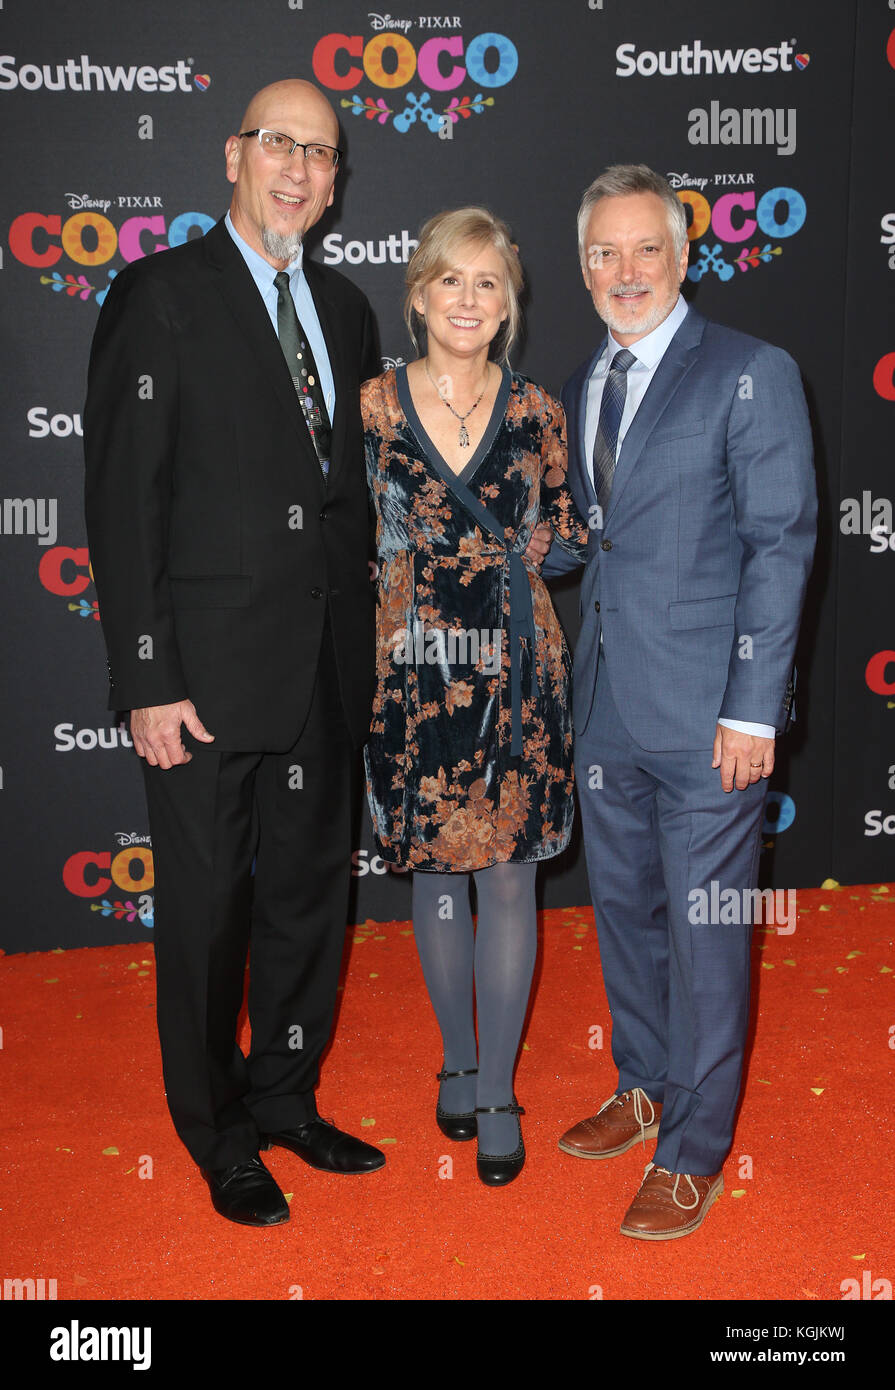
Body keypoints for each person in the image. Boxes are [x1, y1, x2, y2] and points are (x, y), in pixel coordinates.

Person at [83, 80, 386, 1227]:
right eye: (279, 145)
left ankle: (286, 1097)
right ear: (232, 156)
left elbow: (343, 502)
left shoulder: (346, 310)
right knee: (208, 915)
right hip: (202, 681)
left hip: (319, 668)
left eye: (321, 153)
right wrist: (147, 679)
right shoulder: (160, 297)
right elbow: (123, 501)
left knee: (308, 901)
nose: (300, 169)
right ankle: (216, 1133)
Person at [541, 164, 816, 1238]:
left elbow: (780, 542)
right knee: (626, 915)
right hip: (606, 702)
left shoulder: (750, 372)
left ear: (683, 254)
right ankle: (644, 1082)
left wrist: (752, 711)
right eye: (602, 252)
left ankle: (693, 1146)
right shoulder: (581, 380)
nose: (624, 271)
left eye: (643, 248)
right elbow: (584, 537)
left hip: (711, 715)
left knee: (706, 932)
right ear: (582, 266)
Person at [361, 208, 589, 1186]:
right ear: (418, 295)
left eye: (487, 283)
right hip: (412, 666)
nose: (468, 299)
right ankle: (454, 1054)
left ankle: (496, 1086)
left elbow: (573, 534)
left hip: (514, 667)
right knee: (436, 877)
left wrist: (554, 544)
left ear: (509, 305)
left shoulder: (538, 410)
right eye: (450, 280)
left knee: (507, 878)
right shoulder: (370, 405)